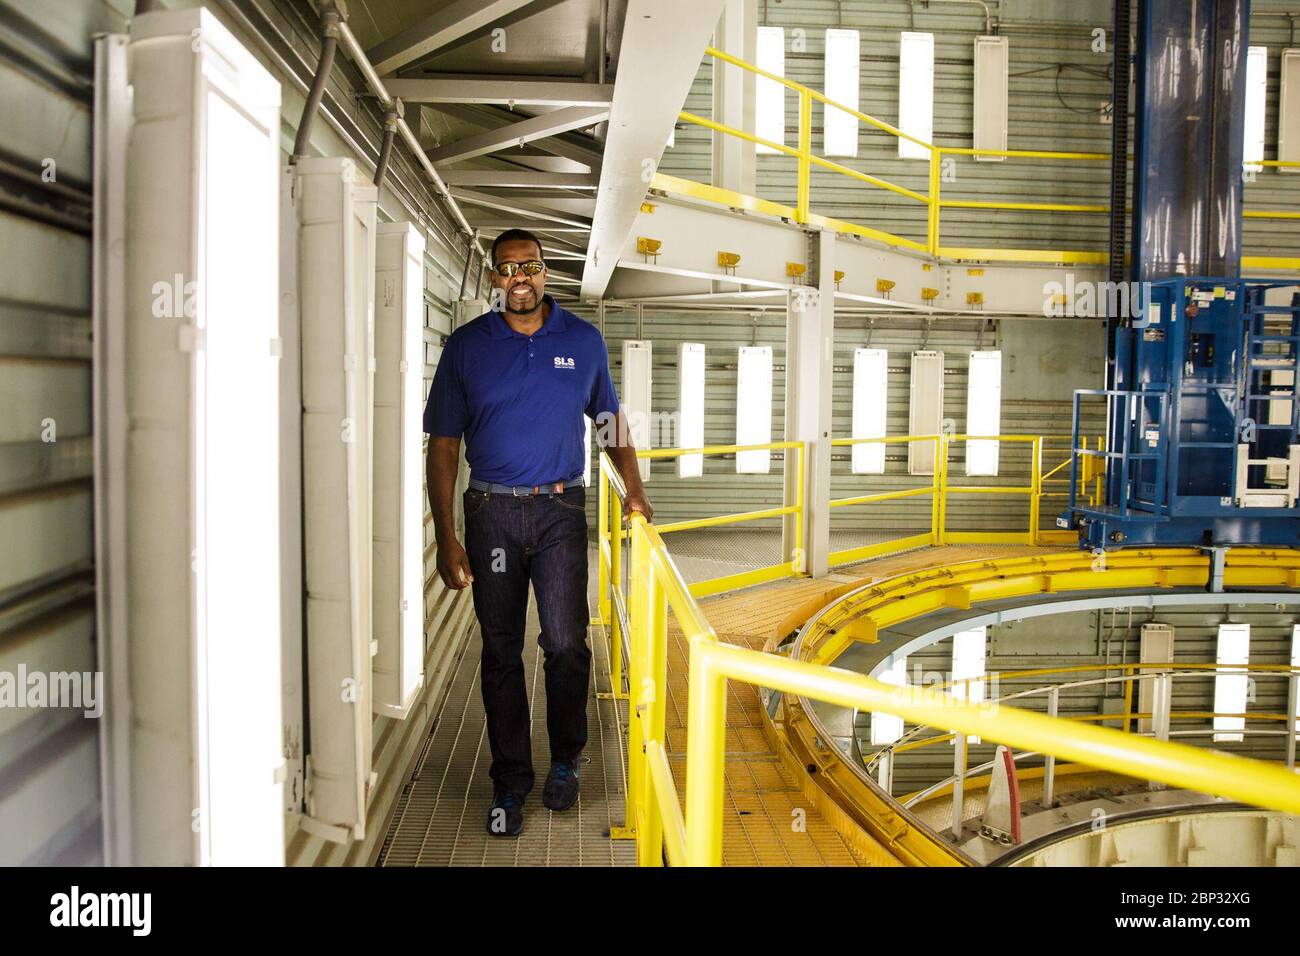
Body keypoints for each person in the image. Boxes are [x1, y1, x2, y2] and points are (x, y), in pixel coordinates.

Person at [424, 228, 652, 837]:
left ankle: (568, 761)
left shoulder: (581, 341)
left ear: (545, 271)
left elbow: (607, 418)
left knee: (565, 643)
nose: (518, 278)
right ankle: (510, 780)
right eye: (506, 269)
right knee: (501, 648)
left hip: (557, 514)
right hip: (492, 517)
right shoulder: (467, 347)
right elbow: (444, 445)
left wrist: (634, 487)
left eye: (528, 266)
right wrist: (446, 536)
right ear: (494, 279)